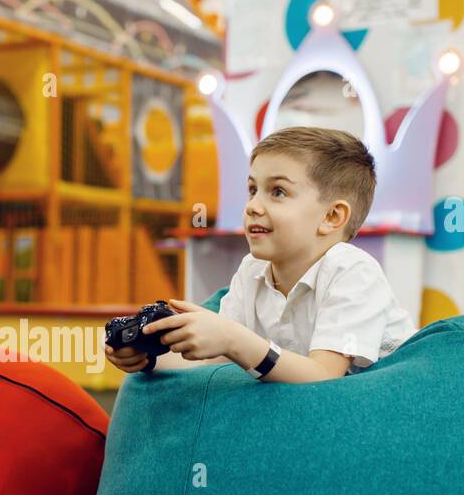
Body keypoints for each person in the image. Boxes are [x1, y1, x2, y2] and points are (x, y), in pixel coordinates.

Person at [105, 126, 415, 383]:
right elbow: (212, 358)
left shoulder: (352, 271)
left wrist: (233, 338)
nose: (253, 205)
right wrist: (149, 358)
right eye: (253, 189)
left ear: (332, 217)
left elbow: (324, 378)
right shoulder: (253, 270)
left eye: (277, 192)